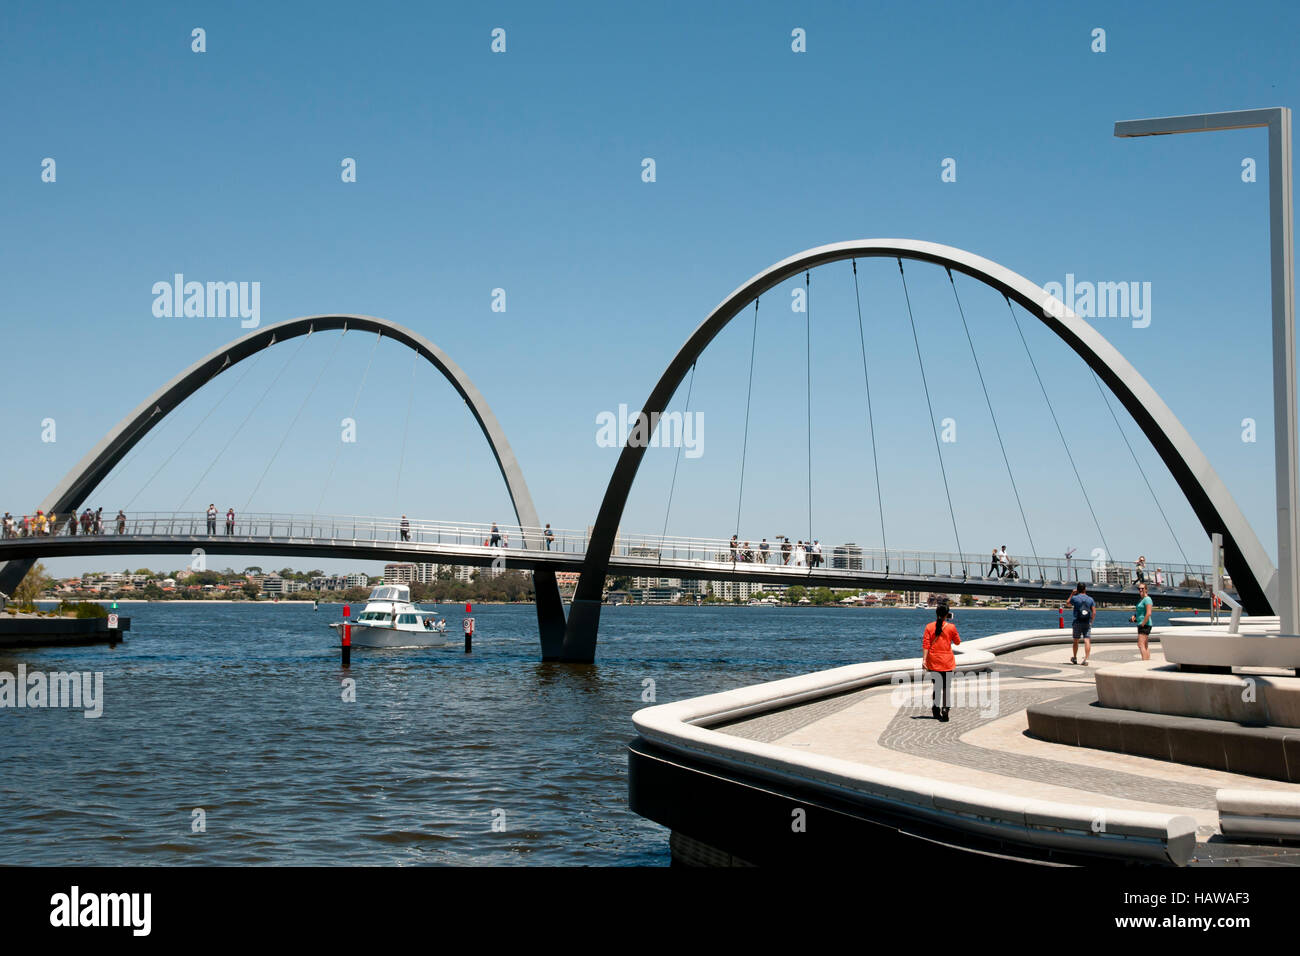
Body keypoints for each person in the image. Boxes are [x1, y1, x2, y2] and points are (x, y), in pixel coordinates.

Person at [922, 602, 961, 722]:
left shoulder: (929, 627)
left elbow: (926, 644)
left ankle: (935, 709)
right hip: (946, 661)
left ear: (936, 613)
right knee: (946, 687)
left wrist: (924, 660)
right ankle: (945, 709)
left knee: (937, 686)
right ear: (947, 614)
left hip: (933, 661)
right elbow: (958, 642)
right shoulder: (951, 627)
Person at [1066, 582, 1096, 666]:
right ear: (1085, 589)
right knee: (1087, 640)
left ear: (1077, 589)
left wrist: (1072, 594)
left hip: (1077, 621)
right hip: (1087, 622)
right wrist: (1091, 621)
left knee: (1076, 640)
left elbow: (1067, 603)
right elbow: (1094, 612)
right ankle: (1085, 659)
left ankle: (1075, 658)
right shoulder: (1090, 599)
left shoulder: (1075, 598)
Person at [1130, 583, 1154, 661]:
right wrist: (1135, 616)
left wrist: (1143, 623)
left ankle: (1144, 662)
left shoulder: (1147, 599)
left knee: (1140, 645)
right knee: (1145, 645)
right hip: (1141, 623)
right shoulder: (1141, 599)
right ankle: (1147, 662)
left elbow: (1148, 613)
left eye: (1142, 588)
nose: (1140, 590)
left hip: (1145, 624)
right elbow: (1139, 612)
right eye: (1139, 589)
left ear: (1146, 589)